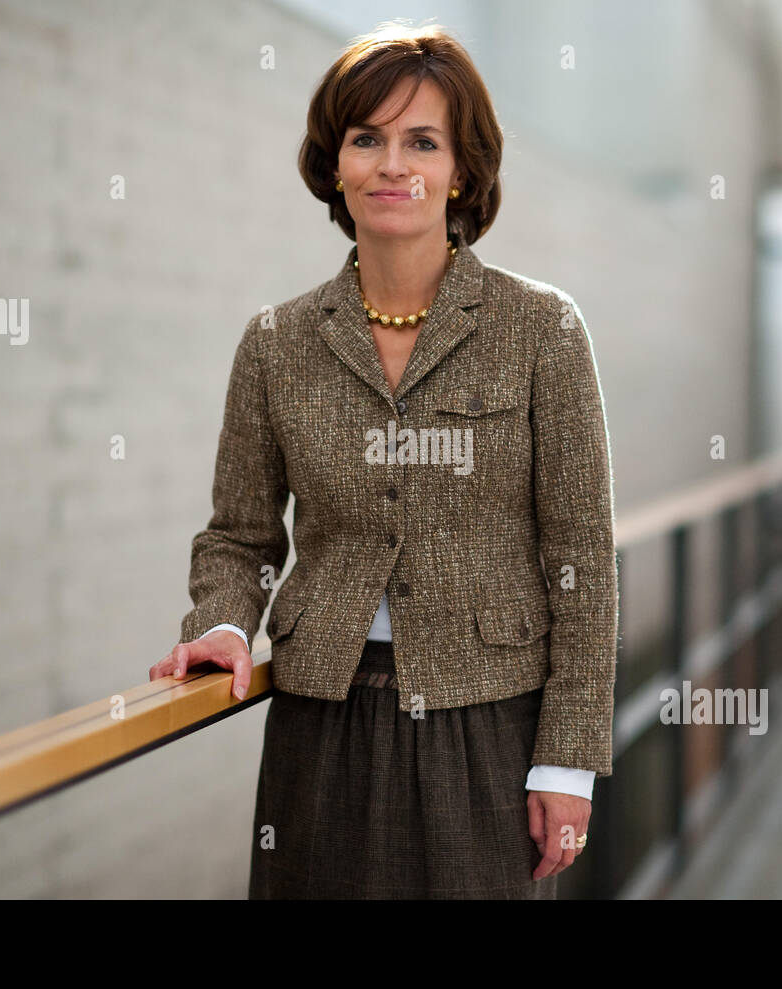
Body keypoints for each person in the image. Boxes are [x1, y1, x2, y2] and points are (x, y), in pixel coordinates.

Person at [150, 22, 617, 899]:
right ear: (336, 164)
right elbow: (240, 535)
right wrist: (220, 622)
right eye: (367, 139)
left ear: (461, 171)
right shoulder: (277, 342)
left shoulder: (541, 329)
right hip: (320, 719)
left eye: (422, 141)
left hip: (490, 722)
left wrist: (570, 759)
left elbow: (582, 557)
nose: (392, 163)